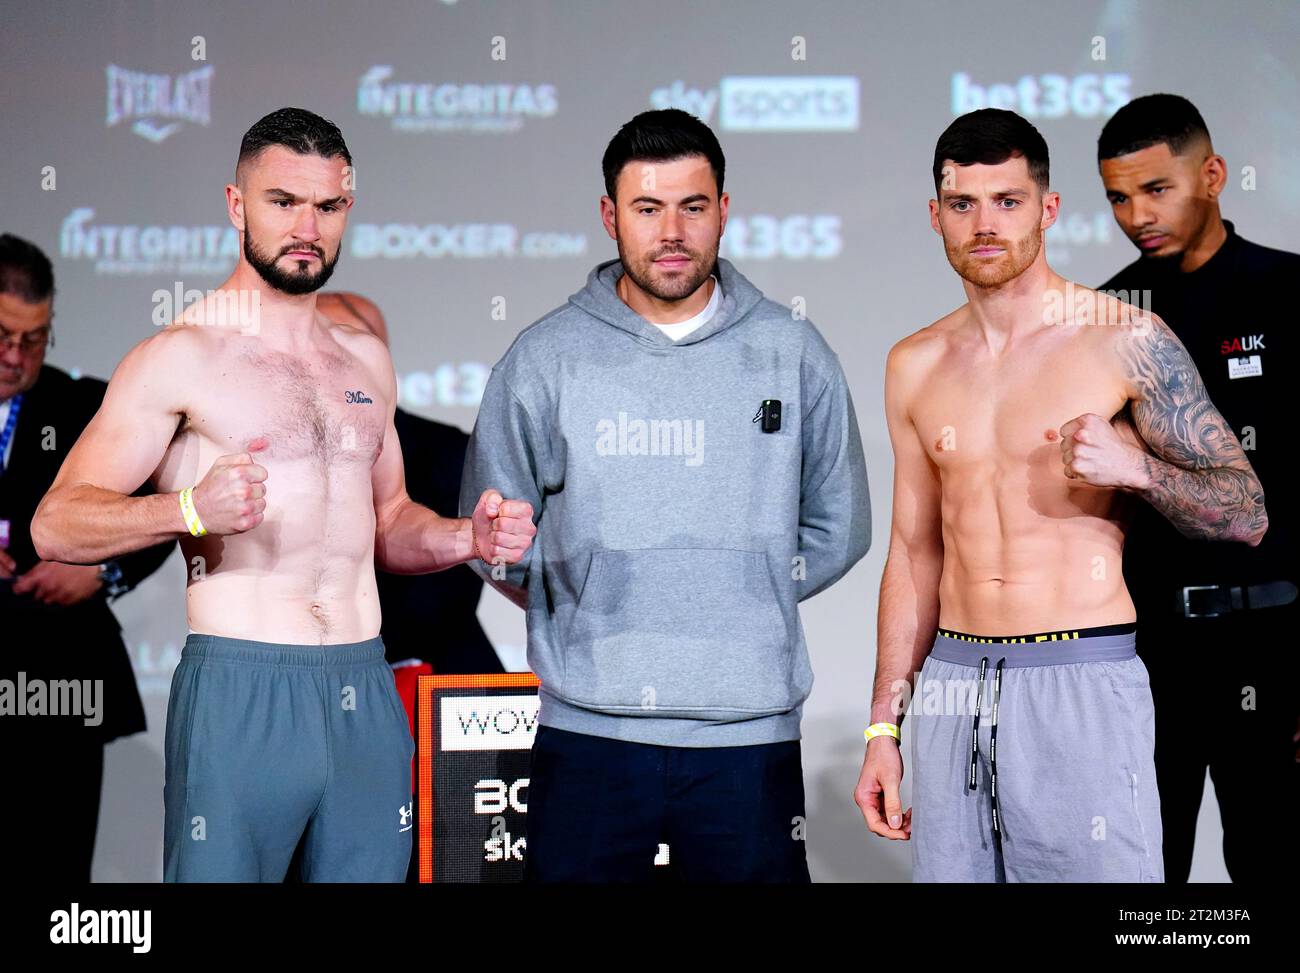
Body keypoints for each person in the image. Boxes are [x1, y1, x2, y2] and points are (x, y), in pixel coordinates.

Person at [30, 107, 535, 883]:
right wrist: (188, 510)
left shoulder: (364, 360)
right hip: (244, 687)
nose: (307, 226)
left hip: (364, 685)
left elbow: (391, 522)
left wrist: (469, 536)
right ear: (237, 206)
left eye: (327, 206)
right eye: (282, 202)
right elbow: (56, 523)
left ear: (348, 210)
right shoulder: (180, 356)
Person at [854, 108, 1267, 882]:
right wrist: (884, 724)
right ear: (935, 214)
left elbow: (1247, 511)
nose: (985, 224)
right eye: (963, 203)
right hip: (951, 683)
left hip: (1081, 674)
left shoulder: (1125, 338)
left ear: (1047, 208)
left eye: (1008, 201)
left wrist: (1137, 468)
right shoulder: (913, 362)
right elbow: (914, 551)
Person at [460, 108, 872, 883]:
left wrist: (743, 588)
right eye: (648, 208)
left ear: (725, 210)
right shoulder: (545, 357)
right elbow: (493, 534)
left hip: (747, 735)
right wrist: (577, 595)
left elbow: (839, 523)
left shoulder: (792, 350)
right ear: (611, 216)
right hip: (590, 735)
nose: (672, 230)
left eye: (693, 205)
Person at [1096, 93, 1299, 883]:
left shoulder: (1288, 292)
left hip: (1277, 640)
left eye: (1157, 188)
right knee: (1143, 878)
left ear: (1212, 175)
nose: (1136, 213)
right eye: (1117, 195)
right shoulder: (1106, 314)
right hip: (1150, 653)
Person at [0, 233, 174, 882]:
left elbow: (173, 502)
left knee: (57, 877)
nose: (16, 356)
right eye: (3, 334)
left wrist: (103, 568)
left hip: (62, 689)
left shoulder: (84, 406)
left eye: (35, 338)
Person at [316, 292, 500, 675]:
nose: (325, 359)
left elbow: (442, 596)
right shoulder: (260, 449)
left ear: (377, 357)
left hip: (433, 683)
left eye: (344, 341)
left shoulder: (449, 451)